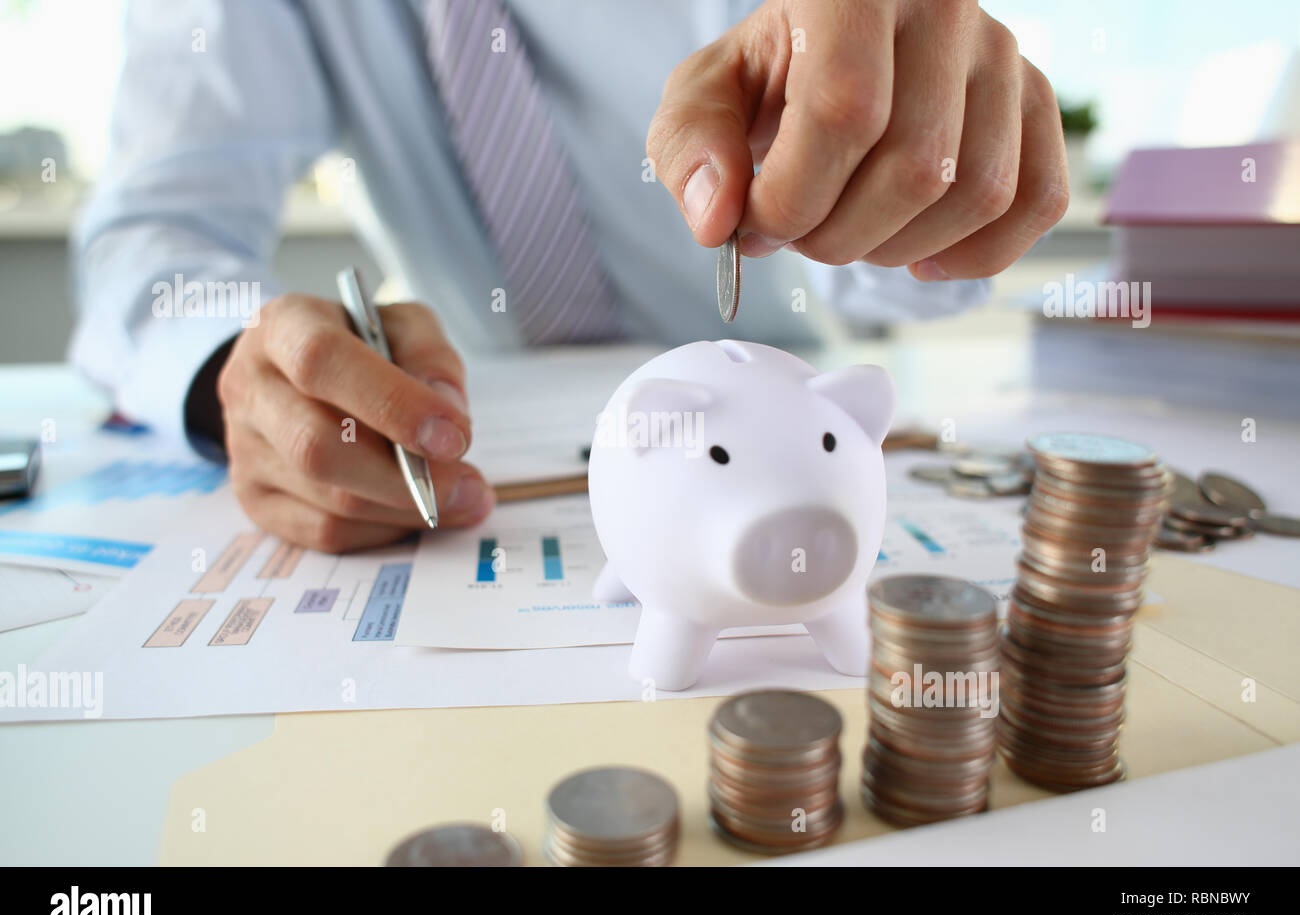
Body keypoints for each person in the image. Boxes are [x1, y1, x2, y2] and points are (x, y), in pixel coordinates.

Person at [70, 0, 1068, 552]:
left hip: (783, 392)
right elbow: (152, 234)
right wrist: (232, 367)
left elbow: (890, 267)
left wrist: (929, 158)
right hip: (481, 414)